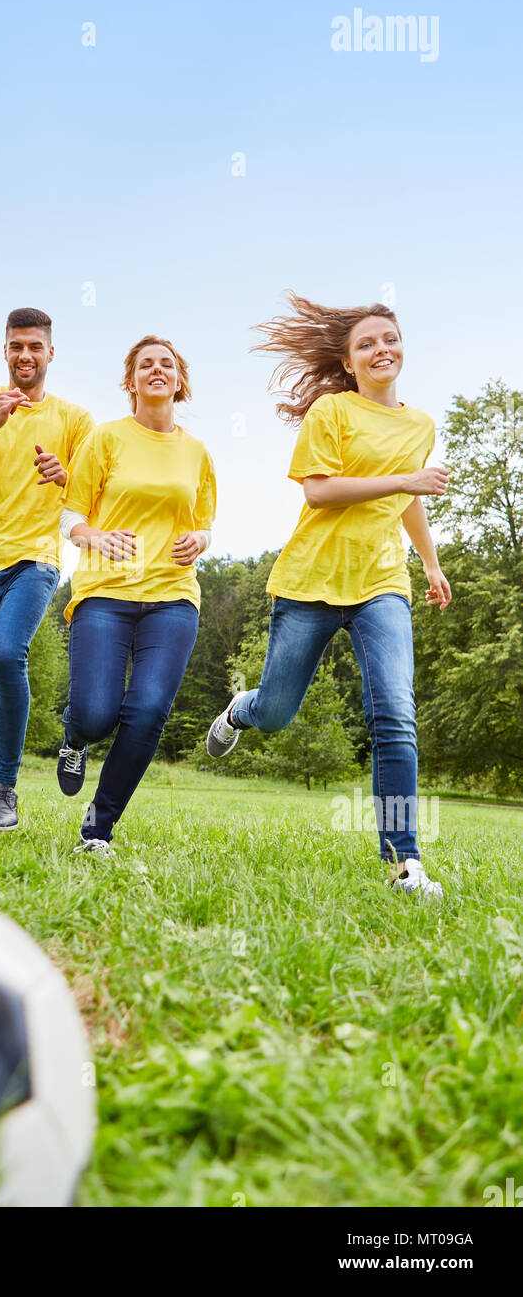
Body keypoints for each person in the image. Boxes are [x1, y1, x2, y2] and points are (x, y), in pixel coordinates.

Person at [206, 294, 451, 900]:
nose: (380, 349)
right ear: (347, 362)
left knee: (394, 713)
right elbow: (319, 492)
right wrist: (406, 480)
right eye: (365, 343)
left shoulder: (420, 424)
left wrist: (430, 561)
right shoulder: (331, 411)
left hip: (380, 584)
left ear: (402, 347)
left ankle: (403, 862)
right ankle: (243, 709)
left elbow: (409, 501)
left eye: (388, 338)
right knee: (278, 712)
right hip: (311, 583)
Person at [57, 335, 215, 856]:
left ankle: (97, 829)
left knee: (147, 712)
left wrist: (201, 540)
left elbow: (204, 524)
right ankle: (76, 736)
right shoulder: (105, 439)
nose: (156, 370)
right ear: (131, 381)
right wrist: (96, 537)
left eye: (166, 364)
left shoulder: (196, 452)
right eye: (145, 364)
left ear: (179, 379)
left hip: (173, 598)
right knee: (98, 714)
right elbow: (70, 517)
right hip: (105, 592)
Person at [0, 308, 93, 831]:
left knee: (8, 653)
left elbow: (97, 496)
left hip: (37, 558)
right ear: (4, 351)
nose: (25, 355)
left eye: (34, 347)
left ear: (51, 353)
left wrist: (66, 474)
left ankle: (5, 786)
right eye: (15, 346)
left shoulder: (75, 420)